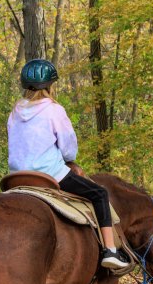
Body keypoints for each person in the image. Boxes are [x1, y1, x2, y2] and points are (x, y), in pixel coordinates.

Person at [7, 58, 131, 271]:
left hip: (16, 176)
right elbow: (68, 149)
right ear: (50, 86)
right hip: (49, 173)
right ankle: (110, 250)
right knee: (99, 193)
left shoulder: (15, 111)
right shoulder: (54, 110)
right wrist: (68, 158)